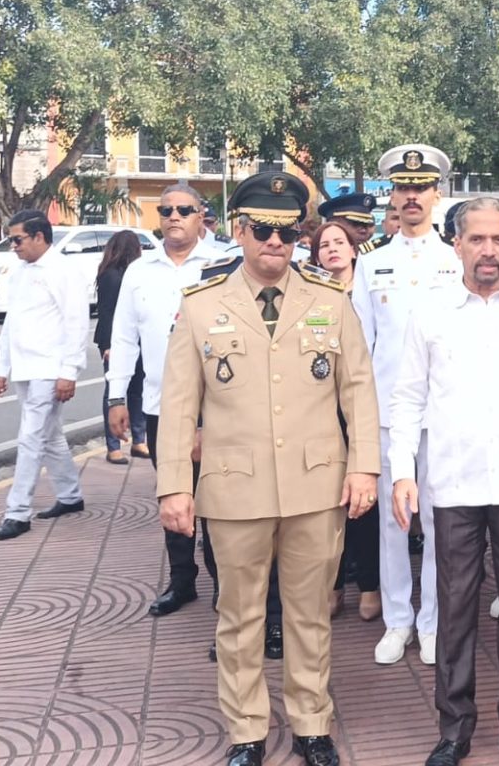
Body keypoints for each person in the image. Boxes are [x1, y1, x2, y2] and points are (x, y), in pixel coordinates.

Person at [156, 171, 380, 766]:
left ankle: (312, 722)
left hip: (316, 484)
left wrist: (365, 469)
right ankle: (247, 731)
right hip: (234, 488)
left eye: (288, 231)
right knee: (240, 616)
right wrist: (174, 486)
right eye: (262, 229)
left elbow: (358, 389)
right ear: (239, 231)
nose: (275, 242)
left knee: (310, 616)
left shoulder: (328, 300)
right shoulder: (202, 306)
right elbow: (178, 406)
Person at [386, 197, 499, 766]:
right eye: (477, 240)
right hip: (454, 486)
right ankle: (454, 727)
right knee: (455, 610)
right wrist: (401, 473)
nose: (488, 250)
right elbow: (407, 397)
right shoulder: (431, 313)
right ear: (457, 245)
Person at [349, 143, 461, 666]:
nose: (411, 196)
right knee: (393, 527)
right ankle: (398, 621)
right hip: (391, 417)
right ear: (391, 195)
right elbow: (360, 350)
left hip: (441, 416)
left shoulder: (454, 261)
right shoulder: (373, 266)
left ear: (437, 194)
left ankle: (432, 622)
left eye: (421, 188)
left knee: (441, 526)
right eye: (402, 188)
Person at [105, 186, 224, 615]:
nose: (174, 216)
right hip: (160, 407)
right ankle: (182, 580)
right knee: (172, 495)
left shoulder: (222, 264)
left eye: (184, 210)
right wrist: (116, 395)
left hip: (217, 407)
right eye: (167, 210)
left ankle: (223, 587)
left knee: (215, 502)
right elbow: (123, 336)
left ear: (201, 216)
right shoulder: (140, 270)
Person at [0, 209, 89, 541]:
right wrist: (2, 366)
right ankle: (71, 495)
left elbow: (76, 323)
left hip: (50, 367)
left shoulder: (64, 271)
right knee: (50, 436)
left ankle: (17, 513)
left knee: (31, 438)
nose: (13, 246)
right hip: (24, 366)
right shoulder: (19, 273)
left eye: (17, 239)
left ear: (39, 237)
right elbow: (10, 322)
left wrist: (68, 372)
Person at [309, 220, 381, 623]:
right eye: (324, 245)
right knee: (328, 500)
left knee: (364, 498)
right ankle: (334, 585)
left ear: (354, 250)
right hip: (323, 406)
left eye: (339, 243)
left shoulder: (370, 291)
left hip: (365, 400)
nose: (333, 250)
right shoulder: (313, 297)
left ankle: (369, 584)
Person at [95, 230, 148, 466]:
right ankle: (113, 447)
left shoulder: (135, 275)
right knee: (115, 392)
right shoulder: (111, 276)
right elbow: (106, 312)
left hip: (137, 338)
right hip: (114, 342)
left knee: (138, 389)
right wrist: (107, 345)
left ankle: (139, 439)